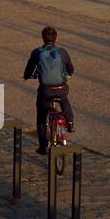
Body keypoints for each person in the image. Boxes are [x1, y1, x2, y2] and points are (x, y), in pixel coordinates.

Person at [23, 26, 75, 154]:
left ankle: (43, 146)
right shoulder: (62, 52)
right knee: (64, 101)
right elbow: (71, 69)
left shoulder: (37, 52)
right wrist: (68, 74)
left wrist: (27, 76)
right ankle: (70, 122)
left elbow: (29, 69)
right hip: (61, 88)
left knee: (41, 117)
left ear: (43, 38)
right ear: (56, 38)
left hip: (45, 90)